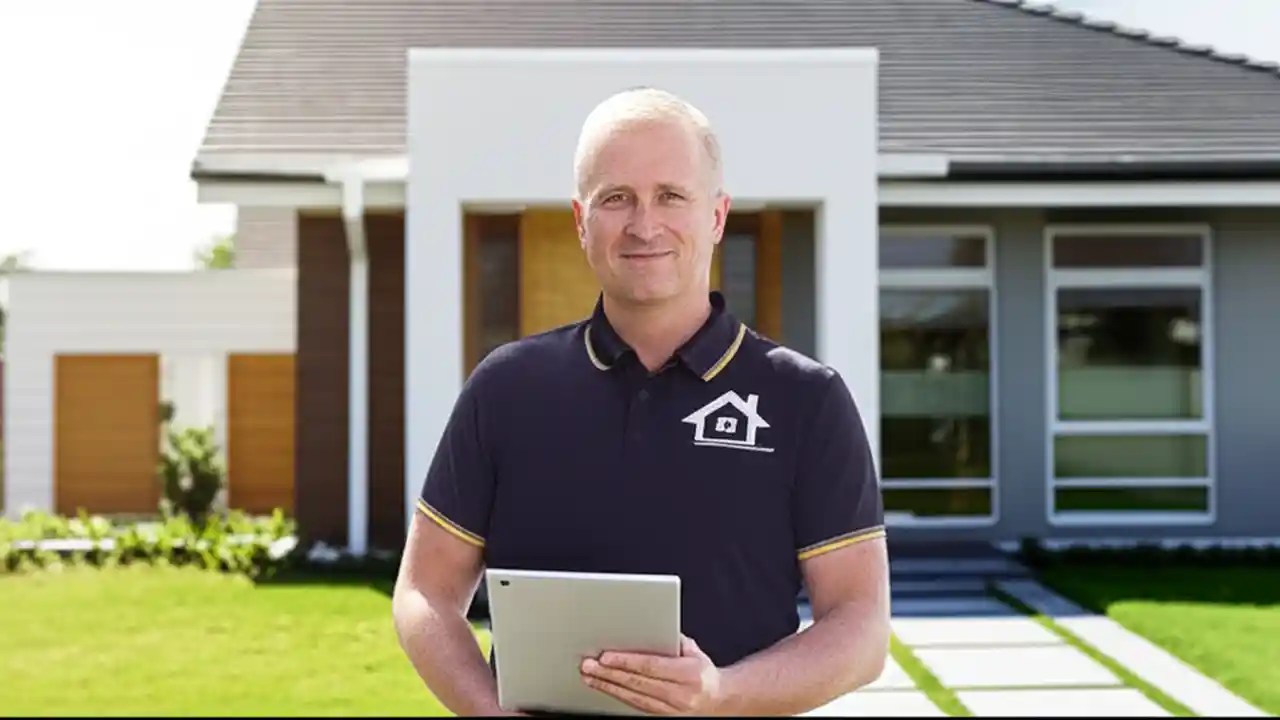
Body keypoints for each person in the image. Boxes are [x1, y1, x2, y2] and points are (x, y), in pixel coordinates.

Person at [391, 86, 890, 716]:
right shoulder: (507, 388)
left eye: (671, 196)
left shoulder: (806, 401)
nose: (644, 224)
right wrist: (488, 712)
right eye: (615, 198)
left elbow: (861, 629)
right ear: (581, 220)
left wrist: (721, 694)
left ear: (716, 214)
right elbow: (424, 591)